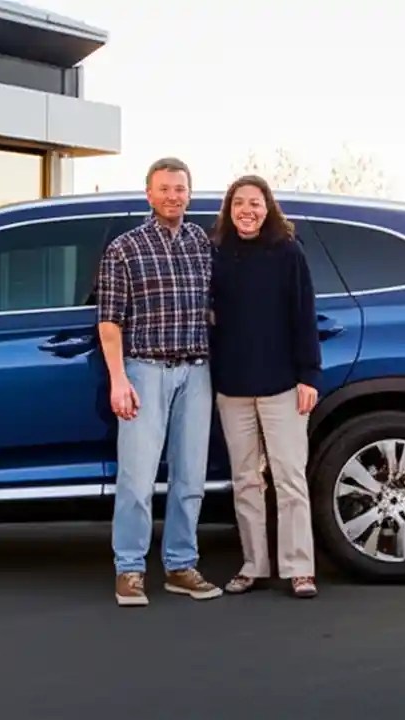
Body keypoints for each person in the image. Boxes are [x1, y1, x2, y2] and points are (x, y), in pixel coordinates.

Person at [95, 157, 222, 607]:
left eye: (180, 188)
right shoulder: (125, 248)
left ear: (190, 193)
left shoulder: (204, 245)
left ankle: (181, 565)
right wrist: (118, 380)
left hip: (198, 371)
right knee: (137, 479)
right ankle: (129, 569)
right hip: (144, 371)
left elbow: (218, 311)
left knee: (190, 477)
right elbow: (110, 323)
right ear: (149, 194)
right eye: (164, 188)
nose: (173, 196)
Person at [209, 174, 321, 599]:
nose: (247, 211)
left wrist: (309, 375)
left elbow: (304, 316)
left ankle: (300, 568)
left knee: (290, 479)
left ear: (268, 208)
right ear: (229, 208)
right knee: (245, 481)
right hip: (232, 387)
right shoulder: (216, 253)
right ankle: (253, 565)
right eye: (239, 203)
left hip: (282, 387)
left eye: (255, 203)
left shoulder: (287, 253)